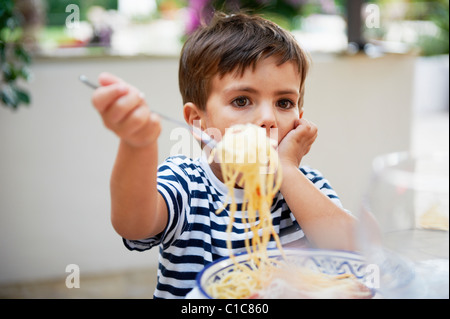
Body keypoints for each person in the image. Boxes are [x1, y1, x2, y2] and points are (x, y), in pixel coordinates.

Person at [91, 12, 356, 299]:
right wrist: (137, 144)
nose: (268, 118)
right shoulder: (186, 183)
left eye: (284, 102)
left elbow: (355, 251)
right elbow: (133, 224)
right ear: (196, 121)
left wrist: (287, 170)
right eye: (242, 100)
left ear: (299, 119)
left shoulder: (306, 186)